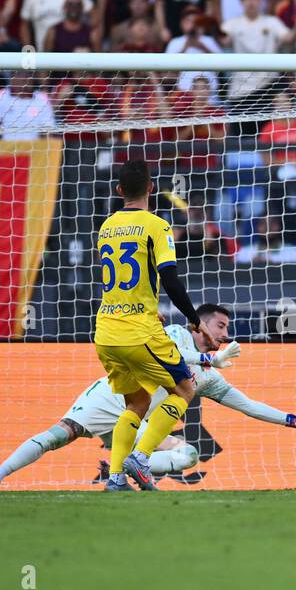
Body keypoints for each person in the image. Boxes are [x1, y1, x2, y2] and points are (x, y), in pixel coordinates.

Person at [0, 304, 296, 491]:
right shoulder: (174, 333)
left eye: (227, 328)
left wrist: (294, 420)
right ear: (199, 324)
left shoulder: (209, 378)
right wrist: (209, 359)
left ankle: (128, 467)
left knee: (188, 454)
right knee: (58, 436)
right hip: (112, 397)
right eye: (220, 326)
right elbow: (171, 357)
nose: (225, 333)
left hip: (140, 419)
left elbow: (249, 406)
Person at [94, 159, 203, 492]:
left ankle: (116, 478)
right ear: (151, 188)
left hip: (106, 332)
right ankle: (140, 457)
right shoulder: (157, 225)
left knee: (137, 404)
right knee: (184, 389)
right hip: (138, 330)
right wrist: (194, 319)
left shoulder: (106, 227)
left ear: (119, 190)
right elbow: (170, 279)